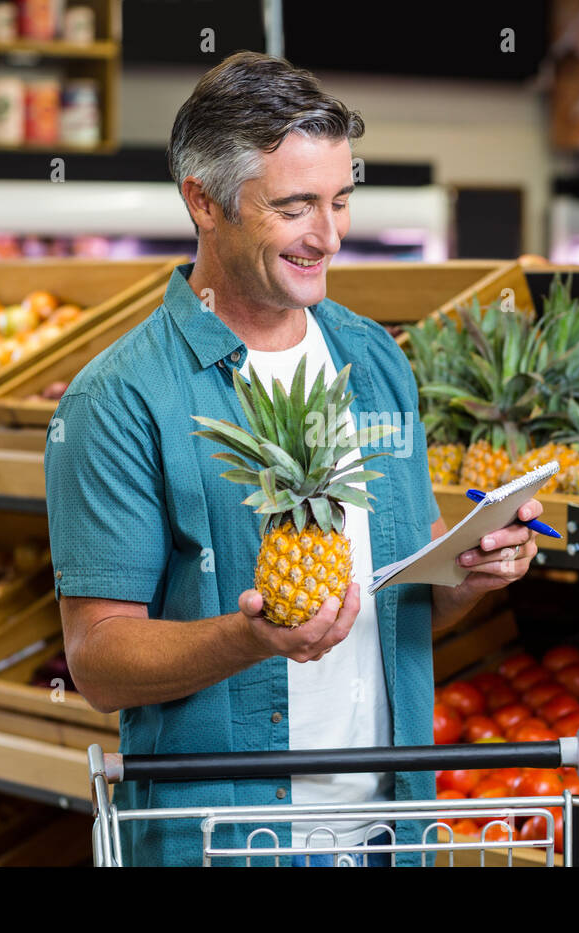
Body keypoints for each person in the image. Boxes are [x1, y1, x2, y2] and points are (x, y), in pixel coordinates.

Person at [45, 51, 543, 866]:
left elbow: (403, 604)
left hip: (391, 827)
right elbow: (97, 660)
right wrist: (251, 639)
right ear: (203, 201)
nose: (330, 234)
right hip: (224, 842)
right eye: (295, 205)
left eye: (342, 200)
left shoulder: (375, 361)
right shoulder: (120, 399)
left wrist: (468, 574)